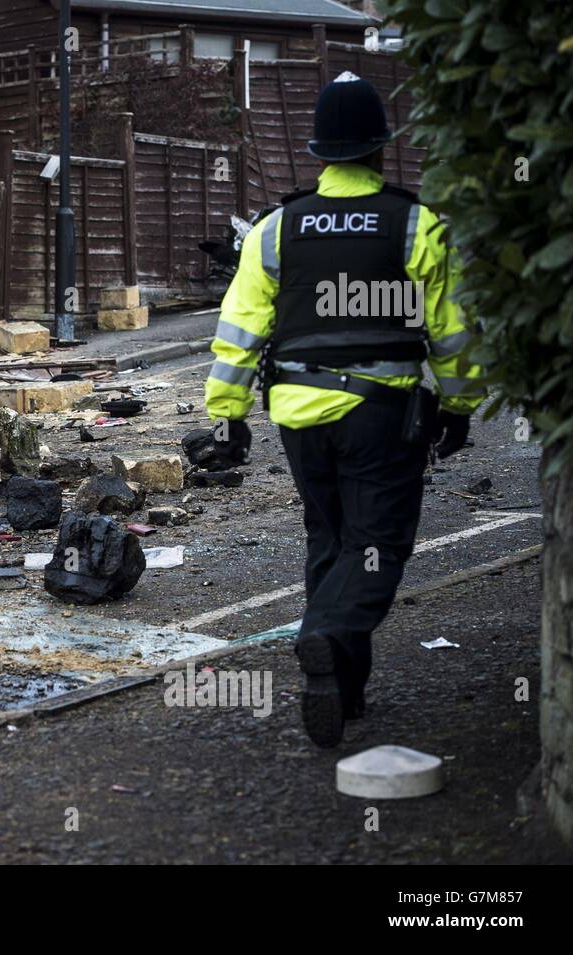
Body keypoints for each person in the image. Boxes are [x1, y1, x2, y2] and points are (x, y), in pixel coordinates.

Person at [203, 72, 484, 747]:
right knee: (378, 543)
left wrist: (229, 413)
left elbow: (239, 327)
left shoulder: (276, 228)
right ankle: (324, 635)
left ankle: (343, 689)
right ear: (381, 149)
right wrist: (460, 402)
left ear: (320, 152)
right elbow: (450, 331)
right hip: (381, 414)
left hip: (297, 413)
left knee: (330, 539)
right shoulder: (416, 222)